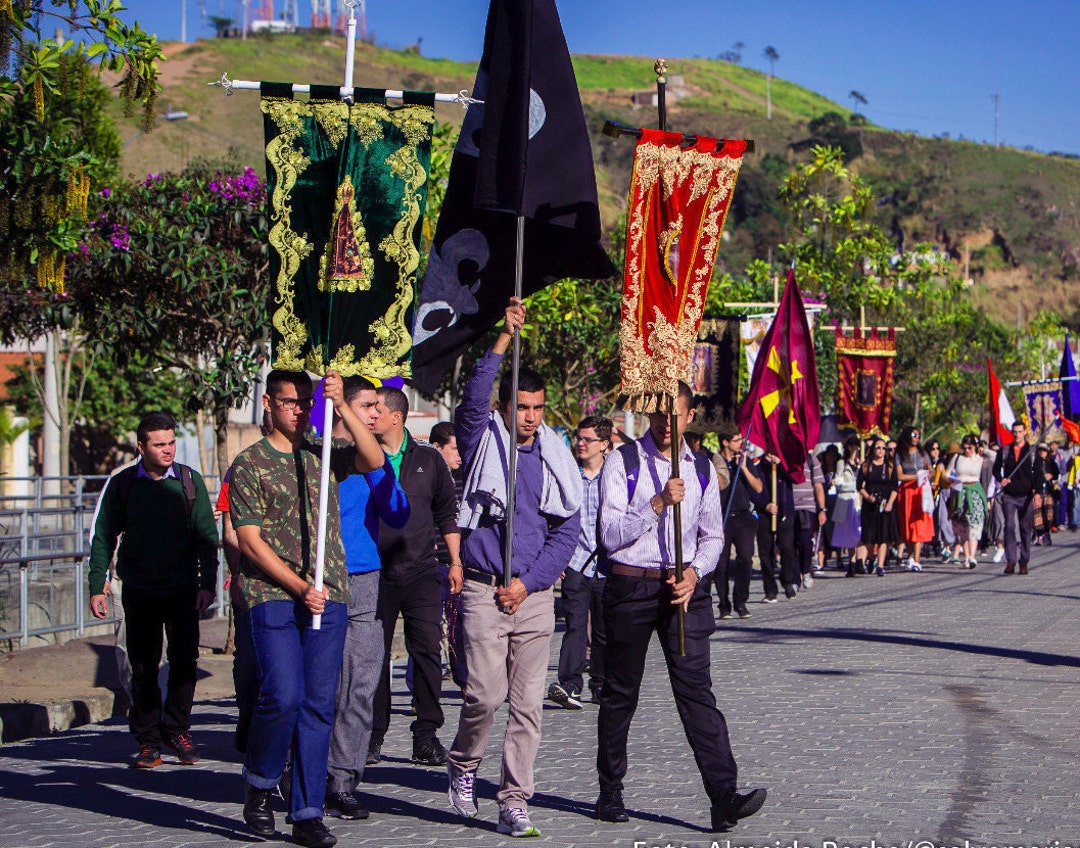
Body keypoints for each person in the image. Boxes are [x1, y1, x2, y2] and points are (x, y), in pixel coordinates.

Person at [593, 381, 766, 832]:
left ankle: (724, 795)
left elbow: (712, 537)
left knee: (696, 693)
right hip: (631, 585)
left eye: (677, 415)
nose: (667, 424)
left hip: (682, 588)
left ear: (690, 417)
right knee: (620, 692)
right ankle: (610, 788)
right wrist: (657, 503)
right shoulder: (623, 460)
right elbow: (609, 536)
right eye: (660, 414)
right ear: (650, 414)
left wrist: (695, 574)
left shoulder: (703, 467)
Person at [446, 297, 581, 838]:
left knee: (527, 706)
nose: (530, 417)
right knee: (484, 695)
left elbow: (567, 529)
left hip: (532, 596)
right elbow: (474, 400)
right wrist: (504, 337)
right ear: (507, 408)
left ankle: (513, 799)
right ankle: (462, 764)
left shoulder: (554, 458)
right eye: (522, 407)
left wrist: (529, 583)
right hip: (482, 592)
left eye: (538, 408)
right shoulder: (485, 442)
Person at [230, 369, 381, 848]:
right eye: (288, 402)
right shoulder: (250, 463)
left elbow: (373, 457)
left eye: (304, 402)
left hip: (329, 592)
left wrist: (340, 407)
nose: (298, 410)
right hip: (273, 594)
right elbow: (250, 542)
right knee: (284, 694)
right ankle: (259, 782)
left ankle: (308, 811)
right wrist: (298, 585)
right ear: (269, 405)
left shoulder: (322, 453)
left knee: (320, 704)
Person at [88, 412, 219, 770]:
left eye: (171, 443)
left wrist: (207, 583)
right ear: (141, 447)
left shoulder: (189, 482)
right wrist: (97, 582)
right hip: (139, 589)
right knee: (143, 666)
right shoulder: (125, 484)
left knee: (184, 662)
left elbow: (207, 537)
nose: (167, 450)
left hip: (182, 589)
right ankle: (148, 740)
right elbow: (103, 535)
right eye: (159, 444)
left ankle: (177, 729)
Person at [325, 375, 411, 822]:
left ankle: (343, 781)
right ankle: (297, 772)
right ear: (341, 407)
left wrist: (381, 472)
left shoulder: (375, 461)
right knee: (318, 687)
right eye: (368, 406)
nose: (377, 413)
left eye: (380, 406)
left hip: (363, 581)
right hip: (316, 584)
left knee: (360, 685)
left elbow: (398, 512)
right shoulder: (316, 453)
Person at [366, 385, 460, 768]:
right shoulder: (362, 457)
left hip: (422, 571)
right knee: (375, 658)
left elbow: (447, 513)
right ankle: (372, 735)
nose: (370, 415)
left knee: (426, 653)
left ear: (396, 417)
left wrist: (454, 561)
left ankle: (426, 734)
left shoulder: (429, 460)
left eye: (376, 409)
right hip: (375, 573)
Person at [548, 414, 612, 709]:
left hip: (606, 564)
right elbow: (552, 517)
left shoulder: (614, 476)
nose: (581, 444)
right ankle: (570, 684)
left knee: (603, 626)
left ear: (604, 444)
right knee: (575, 624)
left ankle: (601, 684)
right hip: (573, 562)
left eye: (588, 439)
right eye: (579, 438)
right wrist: (555, 556)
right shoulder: (568, 474)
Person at [429, 420, 468, 694]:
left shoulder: (466, 478)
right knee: (427, 630)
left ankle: (465, 681)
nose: (459, 455)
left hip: (457, 565)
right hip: (430, 565)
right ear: (436, 448)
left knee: (459, 626)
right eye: (453, 449)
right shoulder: (423, 475)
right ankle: (423, 689)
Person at [709, 426, 764, 619]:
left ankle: (741, 602)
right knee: (721, 564)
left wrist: (744, 469)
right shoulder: (715, 462)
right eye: (736, 440)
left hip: (743, 517)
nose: (741, 443)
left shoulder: (745, 461)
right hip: (721, 518)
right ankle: (724, 606)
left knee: (745, 558)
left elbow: (758, 488)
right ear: (725, 442)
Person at [992, 422, 1040, 574]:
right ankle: (1011, 560)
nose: (1017, 434)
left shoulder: (1032, 452)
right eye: (1015, 432)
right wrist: (1002, 479)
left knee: (1026, 528)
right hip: (1009, 495)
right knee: (1009, 527)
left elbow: (1038, 473)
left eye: (1020, 431)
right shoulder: (1005, 450)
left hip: (1026, 495)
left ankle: (1024, 561)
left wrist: (1037, 492)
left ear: (1025, 432)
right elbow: (995, 469)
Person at [857, 437, 899, 576]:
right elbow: (859, 486)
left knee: (883, 537)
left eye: (883, 448)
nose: (881, 451)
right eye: (878, 448)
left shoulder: (890, 467)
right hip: (870, 506)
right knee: (868, 537)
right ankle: (870, 558)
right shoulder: (865, 466)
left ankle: (880, 566)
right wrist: (867, 496)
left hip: (885, 504)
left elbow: (894, 488)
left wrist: (890, 503)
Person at [946, 434, 988, 570]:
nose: (967, 450)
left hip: (974, 491)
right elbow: (947, 473)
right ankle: (967, 556)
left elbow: (995, 457)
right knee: (962, 526)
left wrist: (984, 449)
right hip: (960, 491)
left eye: (970, 447)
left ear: (975, 447)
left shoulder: (980, 459)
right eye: (965, 448)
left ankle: (973, 556)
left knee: (975, 524)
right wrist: (952, 479)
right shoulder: (957, 458)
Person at [894, 426, 933, 571]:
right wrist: (917, 476)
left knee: (918, 524)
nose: (916, 437)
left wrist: (928, 475)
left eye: (918, 435)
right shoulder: (899, 454)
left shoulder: (922, 453)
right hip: (906, 492)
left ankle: (917, 559)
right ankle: (909, 556)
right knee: (907, 525)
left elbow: (930, 469)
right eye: (913, 434)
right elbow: (900, 475)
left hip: (920, 491)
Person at [832, 436, 865, 575]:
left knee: (861, 531)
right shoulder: (842, 463)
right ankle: (851, 561)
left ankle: (860, 560)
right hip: (846, 499)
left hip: (860, 500)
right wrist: (854, 485)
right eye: (851, 445)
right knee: (850, 532)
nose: (853, 447)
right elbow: (837, 481)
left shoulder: (862, 463)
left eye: (856, 445)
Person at [1033, 443, 1059, 546]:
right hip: (1039, 492)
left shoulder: (1051, 462)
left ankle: (1047, 533)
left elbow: (1057, 474)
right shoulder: (1036, 463)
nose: (1041, 453)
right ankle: (1039, 535)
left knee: (1048, 514)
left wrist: (1051, 476)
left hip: (1048, 491)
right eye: (1040, 451)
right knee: (1038, 514)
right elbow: (1033, 476)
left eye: (1043, 451)